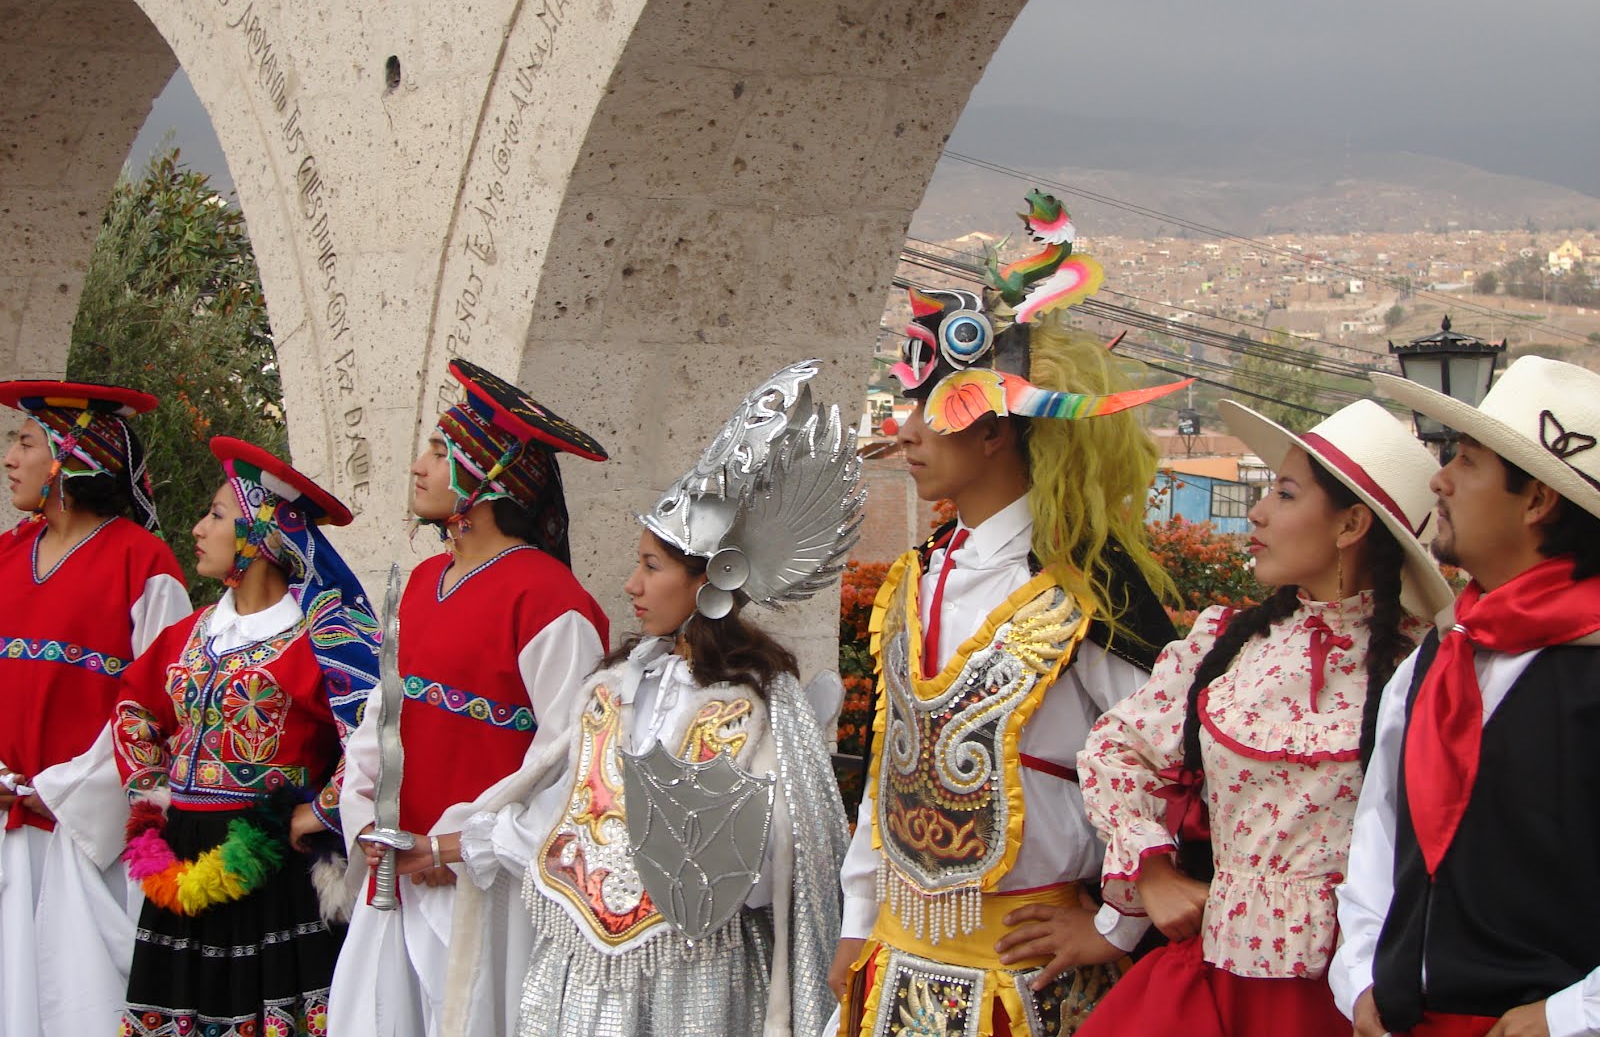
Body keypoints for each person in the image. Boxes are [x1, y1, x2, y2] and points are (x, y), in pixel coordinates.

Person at [367, 359, 860, 1037]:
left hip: (696, 979)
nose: (629, 584)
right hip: (586, 980)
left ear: (710, 580)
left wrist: (711, 838)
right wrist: (452, 847)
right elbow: (564, 815)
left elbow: (786, 864)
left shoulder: (755, 705)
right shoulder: (616, 687)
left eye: (652, 567)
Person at [829, 191, 1192, 1037]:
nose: (904, 429)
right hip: (894, 960)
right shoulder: (915, 579)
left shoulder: (1091, 592)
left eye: (931, 406)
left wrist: (1115, 925)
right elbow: (891, 769)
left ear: (996, 430)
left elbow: (1172, 766)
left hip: (1025, 979)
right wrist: (855, 923)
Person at [1072, 399, 1451, 1037]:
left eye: (1284, 492)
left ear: (1351, 523)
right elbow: (1115, 750)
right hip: (1220, 976)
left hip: (1360, 997)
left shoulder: (1425, 667)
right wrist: (1155, 873)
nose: (1258, 512)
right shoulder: (1229, 645)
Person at [333, 359, 610, 1037]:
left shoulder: (550, 603)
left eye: (438, 451)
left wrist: (458, 846)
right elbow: (381, 718)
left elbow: (571, 762)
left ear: (487, 478)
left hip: (484, 890)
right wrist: (367, 821)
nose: (419, 466)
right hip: (393, 872)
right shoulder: (424, 579)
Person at [1331, 355, 1600, 1037]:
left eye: (1469, 462)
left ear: (1538, 501)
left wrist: (1568, 1016)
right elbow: (1381, 834)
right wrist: (1363, 976)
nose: (1439, 480)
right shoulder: (1439, 658)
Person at [111, 435, 380, 1036]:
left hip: (269, 863)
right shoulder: (189, 632)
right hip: (180, 855)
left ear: (260, 536)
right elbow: (135, 703)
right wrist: (151, 791)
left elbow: (371, 734)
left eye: (216, 515)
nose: (199, 528)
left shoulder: (316, 642)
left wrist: (320, 812)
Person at [0, 379, 191, 1037]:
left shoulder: (144, 563)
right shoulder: (5, 555)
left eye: (24, 443)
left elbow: (167, 710)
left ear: (66, 461)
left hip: (85, 843)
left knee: (78, 1009)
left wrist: (64, 793)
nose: (10, 459)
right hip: (3, 828)